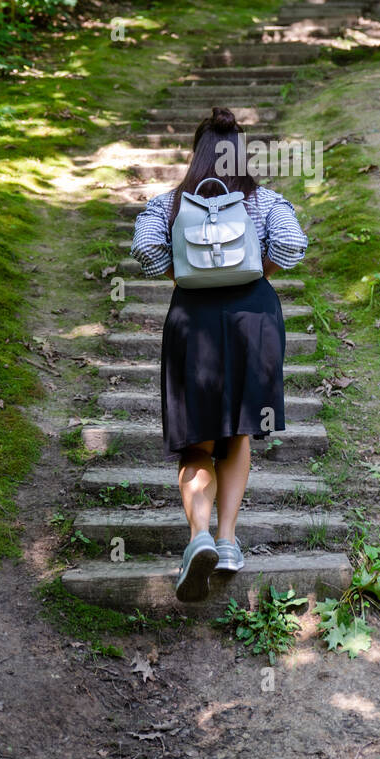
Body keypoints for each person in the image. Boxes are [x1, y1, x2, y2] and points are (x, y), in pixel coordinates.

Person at [130, 106, 309, 601]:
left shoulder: (170, 202)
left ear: (197, 153)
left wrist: (184, 276)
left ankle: (198, 540)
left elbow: (145, 251)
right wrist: (255, 274)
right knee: (239, 432)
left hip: (194, 320)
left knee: (198, 439)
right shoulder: (266, 200)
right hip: (255, 319)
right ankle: (228, 542)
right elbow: (294, 244)